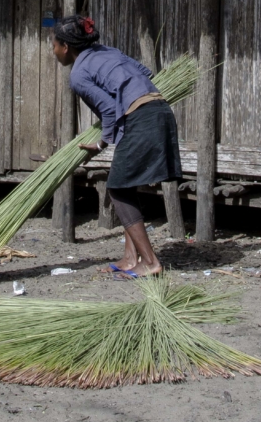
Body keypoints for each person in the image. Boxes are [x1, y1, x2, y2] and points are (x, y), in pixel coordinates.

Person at [52, 14, 182, 277]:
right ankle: (129, 257)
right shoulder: (107, 51)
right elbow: (145, 73)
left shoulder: (77, 75)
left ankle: (150, 262)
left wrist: (101, 144)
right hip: (160, 109)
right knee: (126, 185)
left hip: (141, 118)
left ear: (66, 46)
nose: (53, 51)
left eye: (53, 45)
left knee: (117, 188)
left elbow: (110, 111)